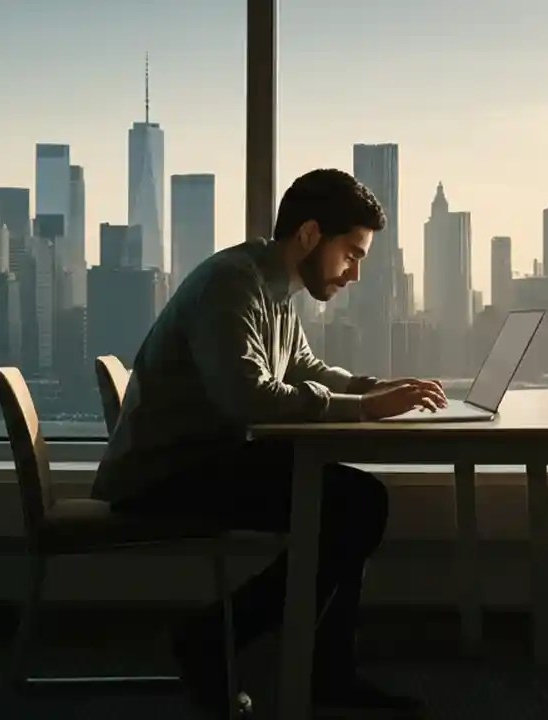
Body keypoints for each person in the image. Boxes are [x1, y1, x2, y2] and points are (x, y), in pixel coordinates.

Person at [92, 168, 447, 717]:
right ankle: (222, 641)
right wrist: (366, 409)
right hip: (164, 474)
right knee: (355, 505)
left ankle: (303, 665)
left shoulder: (272, 285)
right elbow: (248, 398)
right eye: (351, 254)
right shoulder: (232, 284)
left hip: (205, 456)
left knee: (352, 503)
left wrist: (374, 389)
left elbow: (303, 367)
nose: (353, 274)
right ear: (309, 234)